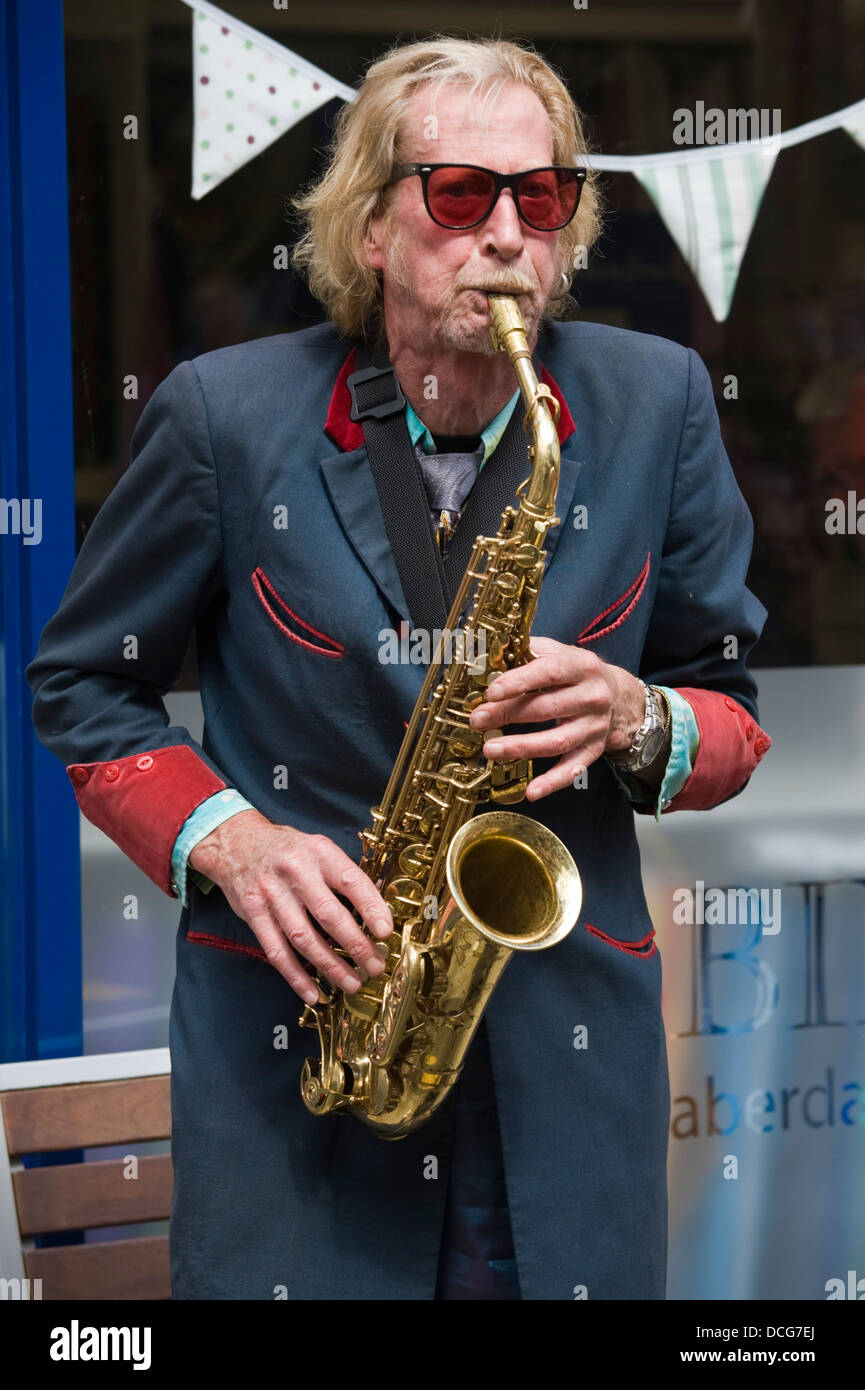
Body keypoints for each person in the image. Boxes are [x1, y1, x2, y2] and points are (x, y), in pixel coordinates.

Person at [27, 36, 771, 1301]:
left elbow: (731, 705)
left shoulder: (658, 401)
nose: (505, 238)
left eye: (538, 200)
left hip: (562, 1078)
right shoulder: (224, 417)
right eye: (459, 195)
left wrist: (642, 714)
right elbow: (84, 687)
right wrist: (235, 843)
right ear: (372, 225)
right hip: (303, 1062)